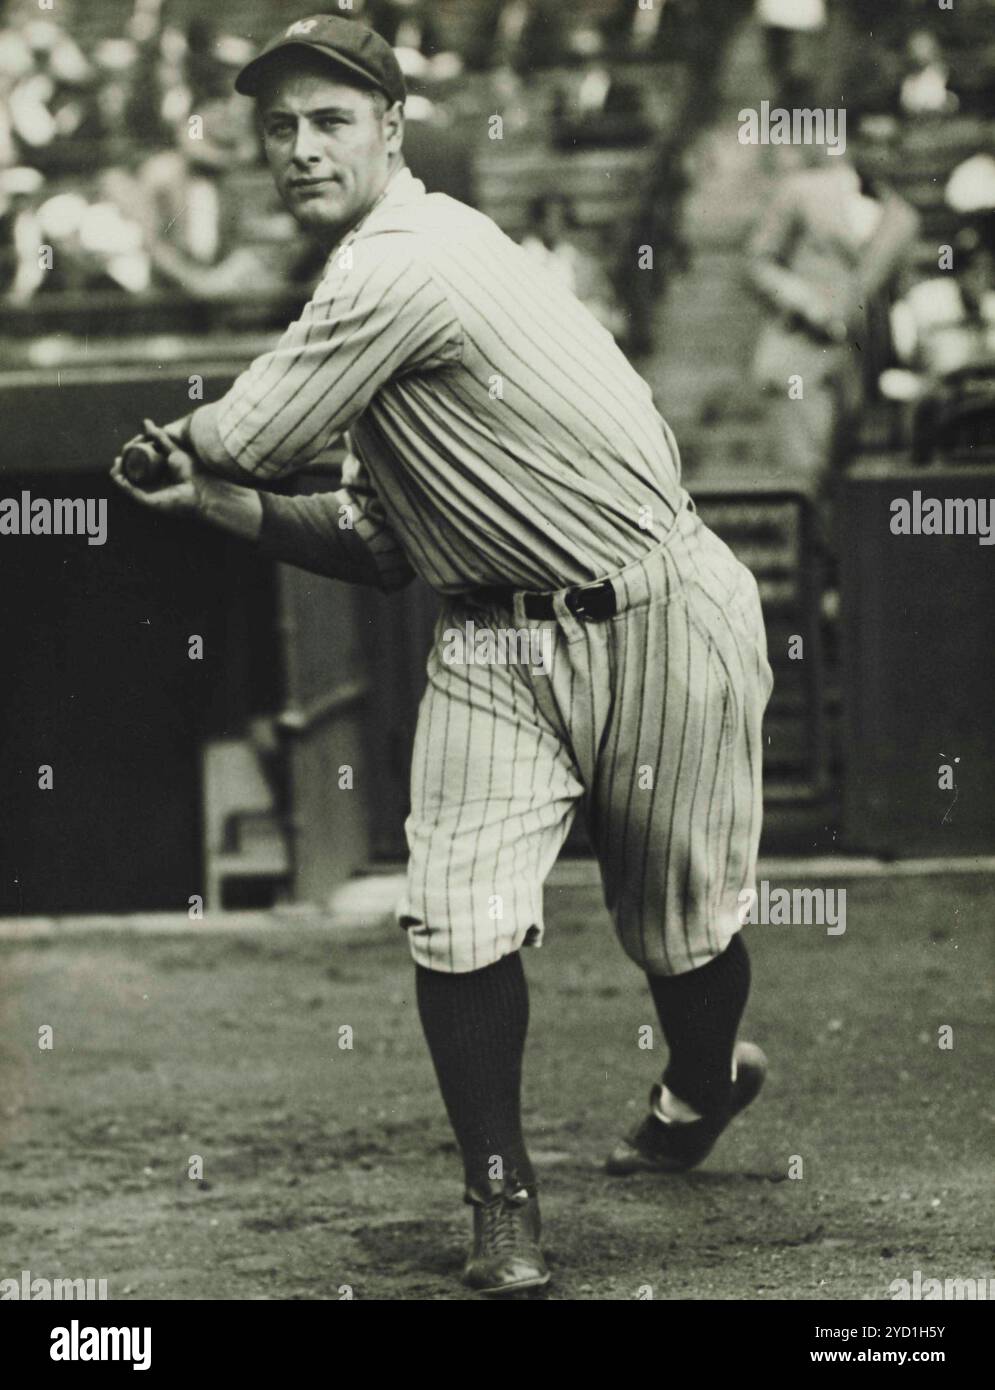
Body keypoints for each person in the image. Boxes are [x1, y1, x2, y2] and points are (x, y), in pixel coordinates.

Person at [112, 15, 773, 1299]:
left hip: (655, 607)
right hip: (488, 637)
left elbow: (243, 432)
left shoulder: (407, 257)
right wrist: (211, 502)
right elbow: (370, 540)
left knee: (681, 932)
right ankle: (501, 1199)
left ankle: (701, 1084)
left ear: (391, 131)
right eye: (279, 127)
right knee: (456, 918)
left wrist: (184, 452)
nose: (298, 148)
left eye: (329, 120)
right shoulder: (372, 288)